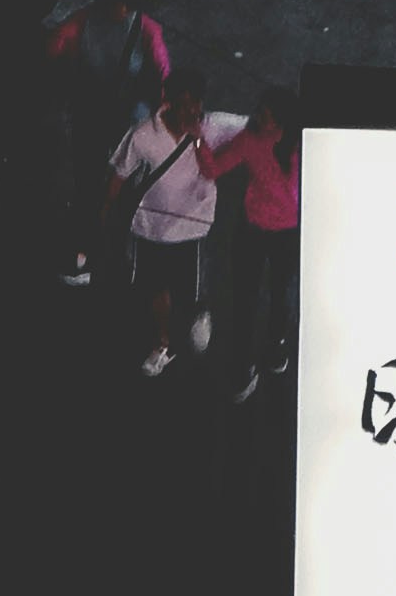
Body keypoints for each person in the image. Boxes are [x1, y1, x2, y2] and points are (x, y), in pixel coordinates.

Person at [103, 77, 245, 374]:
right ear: (168, 102)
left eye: (196, 107)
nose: (191, 115)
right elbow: (119, 175)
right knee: (156, 288)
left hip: (191, 230)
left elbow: (256, 127)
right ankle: (163, 342)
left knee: (189, 291)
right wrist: (104, 216)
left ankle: (197, 311)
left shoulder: (212, 126)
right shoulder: (142, 135)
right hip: (149, 228)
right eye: (183, 106)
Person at [45, 0, 170, 286]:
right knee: (92, 183)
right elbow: (55, 47)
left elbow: (162, 71)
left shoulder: (140, 27)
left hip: (120, 115)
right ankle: (94, 248)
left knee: (117, 184)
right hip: (101, 113)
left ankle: (112, 249)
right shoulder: (90, 22)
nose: (121, 11)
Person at [202, 88, 300, 394]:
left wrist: (196, 139)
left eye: (265, 115)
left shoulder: (249, 141)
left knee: (245, 299)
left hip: (252, 229)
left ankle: (243, 367)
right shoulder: (301, 143)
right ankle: (275, 346)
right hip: (288, 231)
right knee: (280, 292)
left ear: (279, 120)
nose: (258, 117)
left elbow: (213, 168)